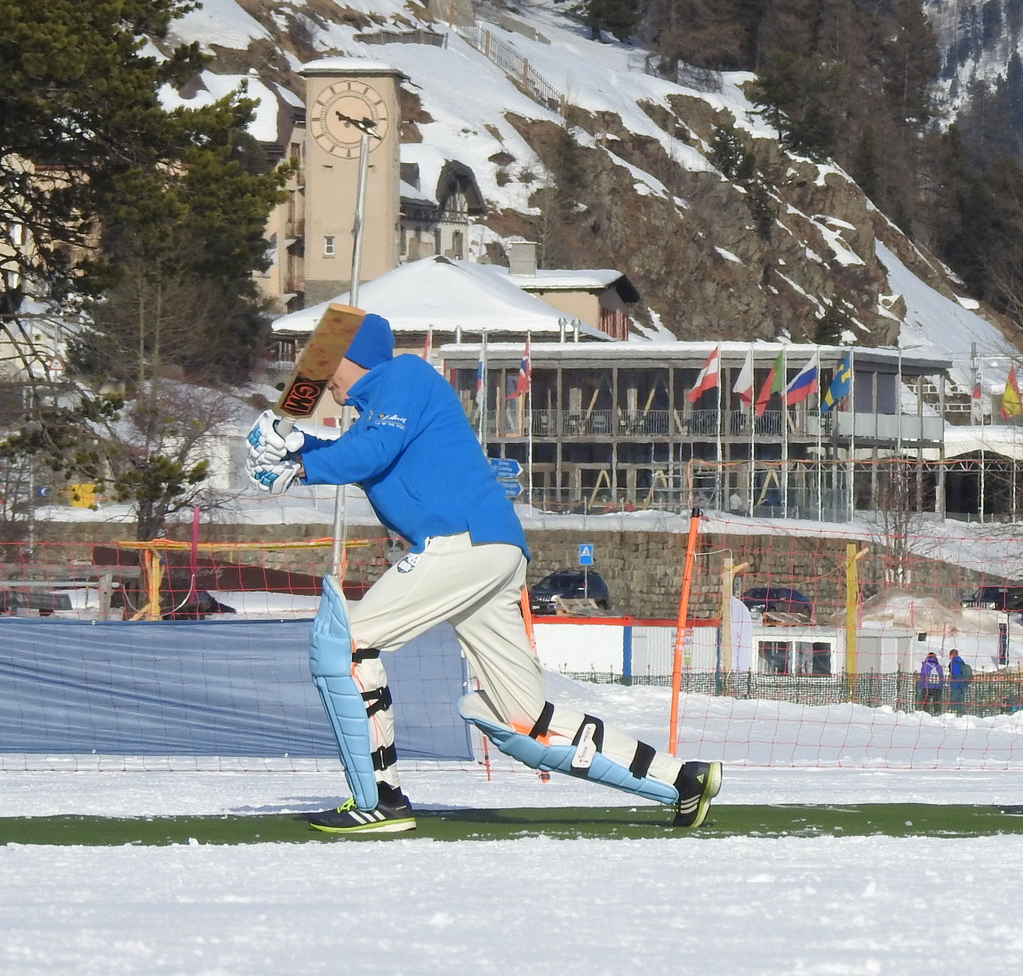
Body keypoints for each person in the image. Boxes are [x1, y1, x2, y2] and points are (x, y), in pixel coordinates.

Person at [246, 313, 722, 835]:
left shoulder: (404, 375)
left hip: (461, 541)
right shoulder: (376, 413)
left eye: (325, 364)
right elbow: (365, 453)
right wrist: (295, 448)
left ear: (351, 356)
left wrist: (302, 463)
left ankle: (379, 800)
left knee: (346, 646)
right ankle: (682, 780)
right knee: (522, 722)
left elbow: (371, 453)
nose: (318, 377)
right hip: (491, 551)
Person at [947, 648, 973, 714]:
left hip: (956, 685)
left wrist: (959, 684)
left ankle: (955, 714)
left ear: (952, 655)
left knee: (954, 701)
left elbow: (956, 674)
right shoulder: (961, 661)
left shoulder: (954, 662)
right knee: (960, 701)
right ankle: (961, 714)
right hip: (962, 684)